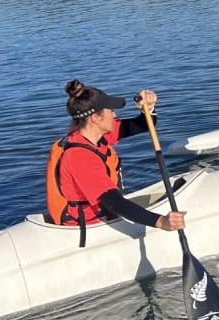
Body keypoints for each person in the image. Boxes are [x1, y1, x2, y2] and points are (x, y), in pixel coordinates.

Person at [46, 80, 186, 237]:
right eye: (110, 110)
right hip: (89, 227)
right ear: (95, 118)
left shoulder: (96, 135)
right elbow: (114, 202)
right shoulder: (79, 157)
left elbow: (143, 125)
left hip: (105, 213)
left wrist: (148, 107)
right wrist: (161, 222)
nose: (114, 115)